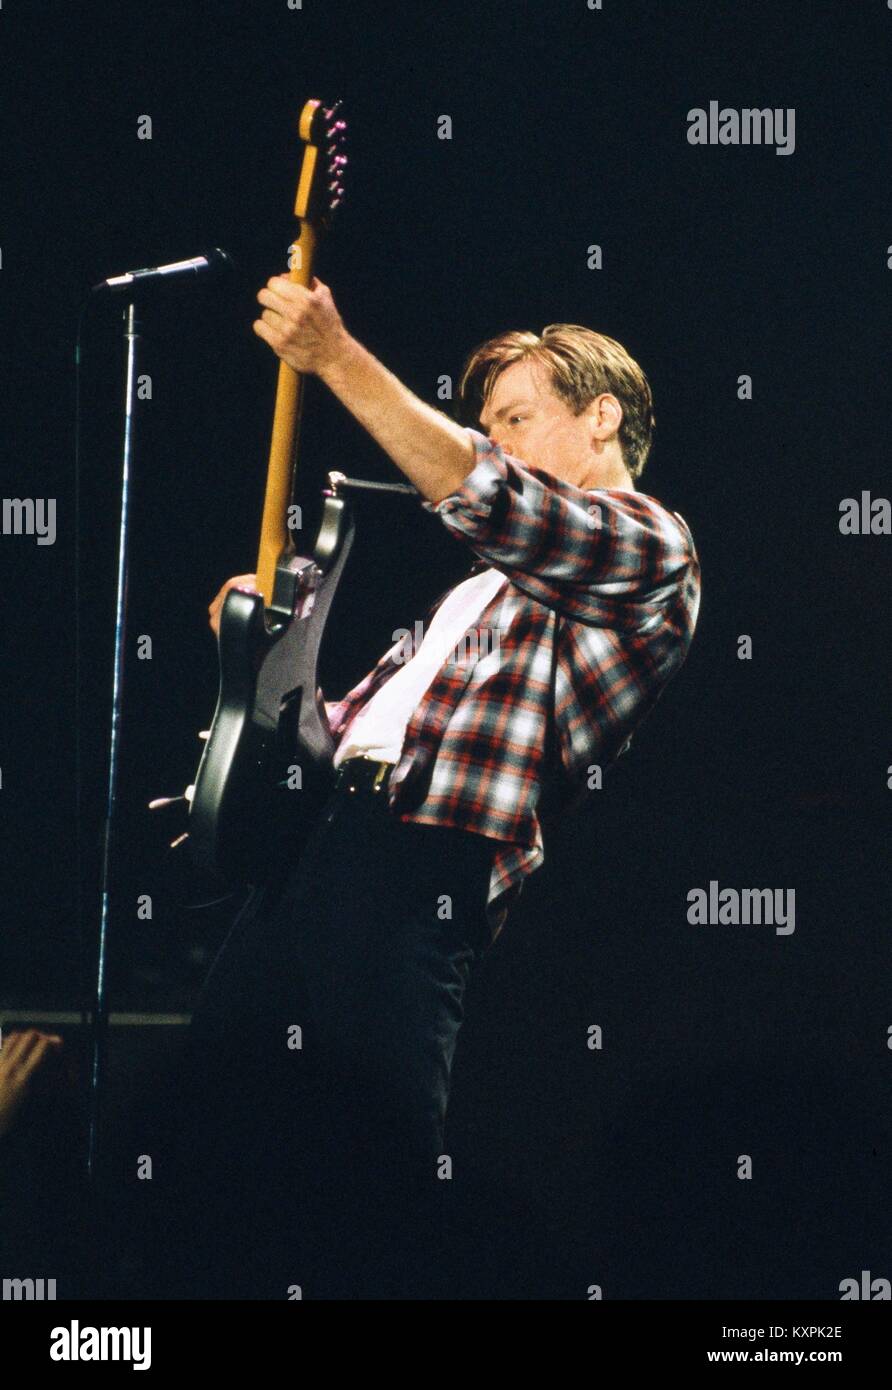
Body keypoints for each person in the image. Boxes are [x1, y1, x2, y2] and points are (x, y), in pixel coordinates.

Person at [167, 279, 701, 1299]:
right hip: (319, 851)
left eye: (514, 417)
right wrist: (261, 655)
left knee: (376, 1168)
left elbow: (484, 492)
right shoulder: (480, 591)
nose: (489, 438)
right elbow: (351, 733)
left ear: (602, 416)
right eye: (484, 421)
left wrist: (335, 356)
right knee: (223, 1124)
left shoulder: (649, 548)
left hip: (420, 865)